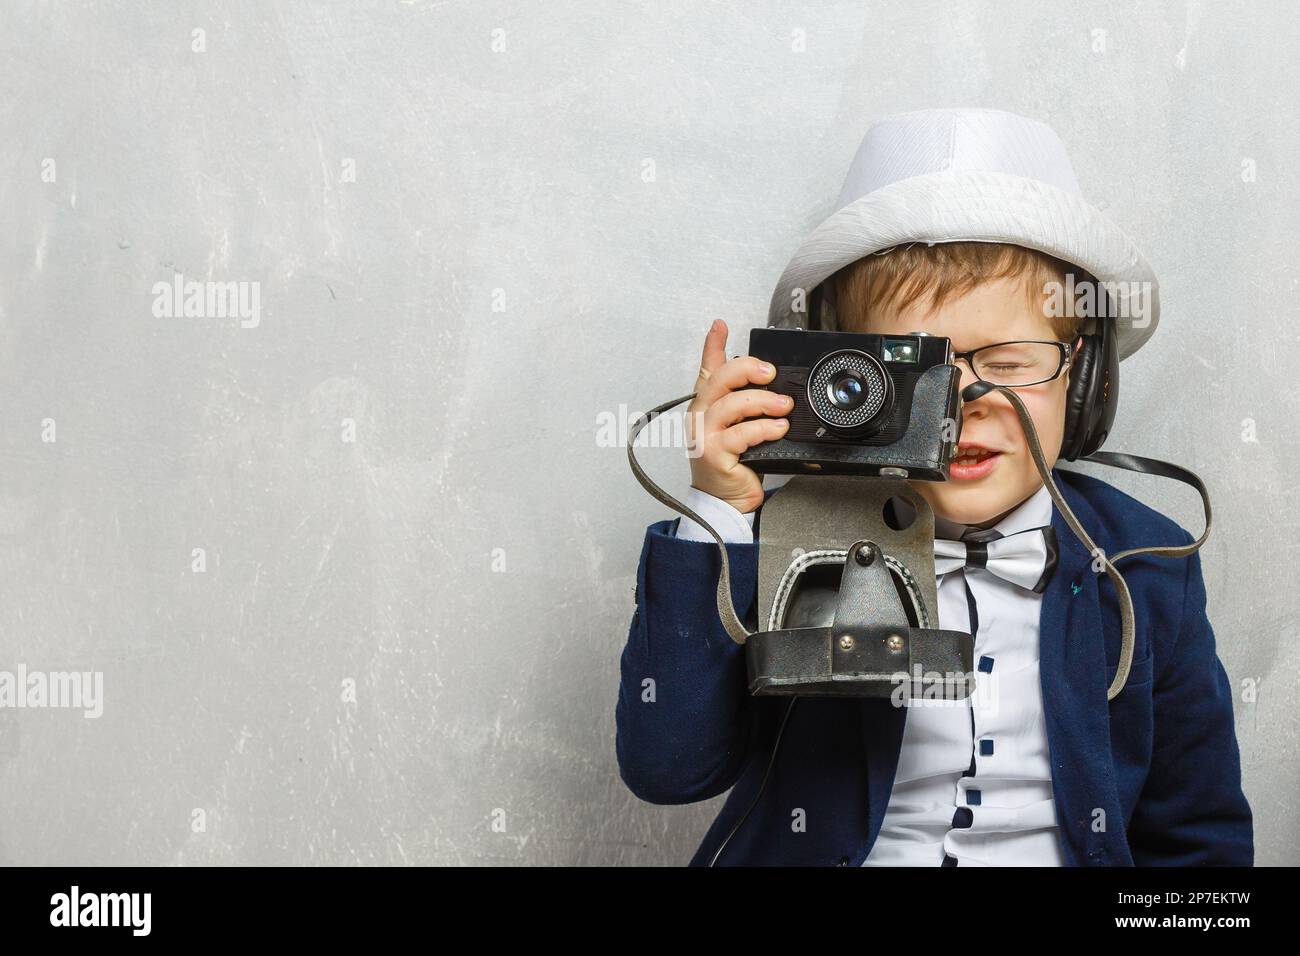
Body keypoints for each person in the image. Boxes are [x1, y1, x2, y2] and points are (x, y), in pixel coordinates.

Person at [613, 108, 1253, 866]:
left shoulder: (1151, 563)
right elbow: (668, 766)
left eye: (1010, 363)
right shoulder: (784, 532)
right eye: (918, 372)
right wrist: (717, 512)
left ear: (1083, 383)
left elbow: (1199, 839)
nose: (965, 404)